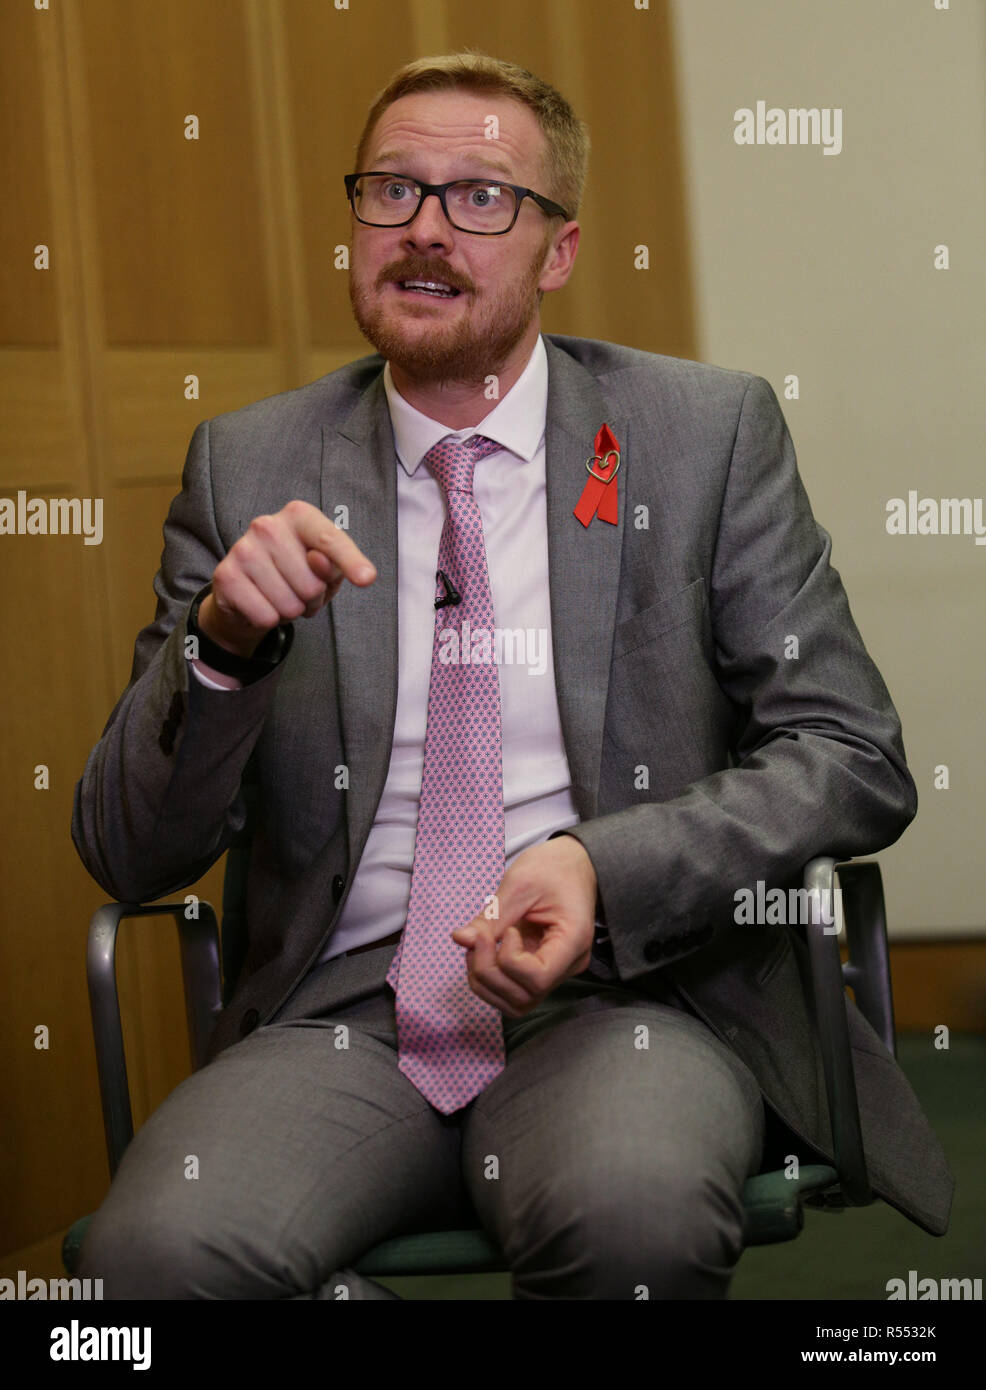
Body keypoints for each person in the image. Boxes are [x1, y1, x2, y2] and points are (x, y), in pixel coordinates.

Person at [72, 51, 953, 1300]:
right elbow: (128, 852)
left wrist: (605, 865)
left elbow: (850, 753)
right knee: (148, 1259)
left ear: (558, 250)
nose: (425, 229)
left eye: (480, 196)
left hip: (623, 1006)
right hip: (339, 1020)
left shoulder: (699, 438)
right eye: (391, 192)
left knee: (633, 1219)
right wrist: (220, 650)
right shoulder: (245, 465)